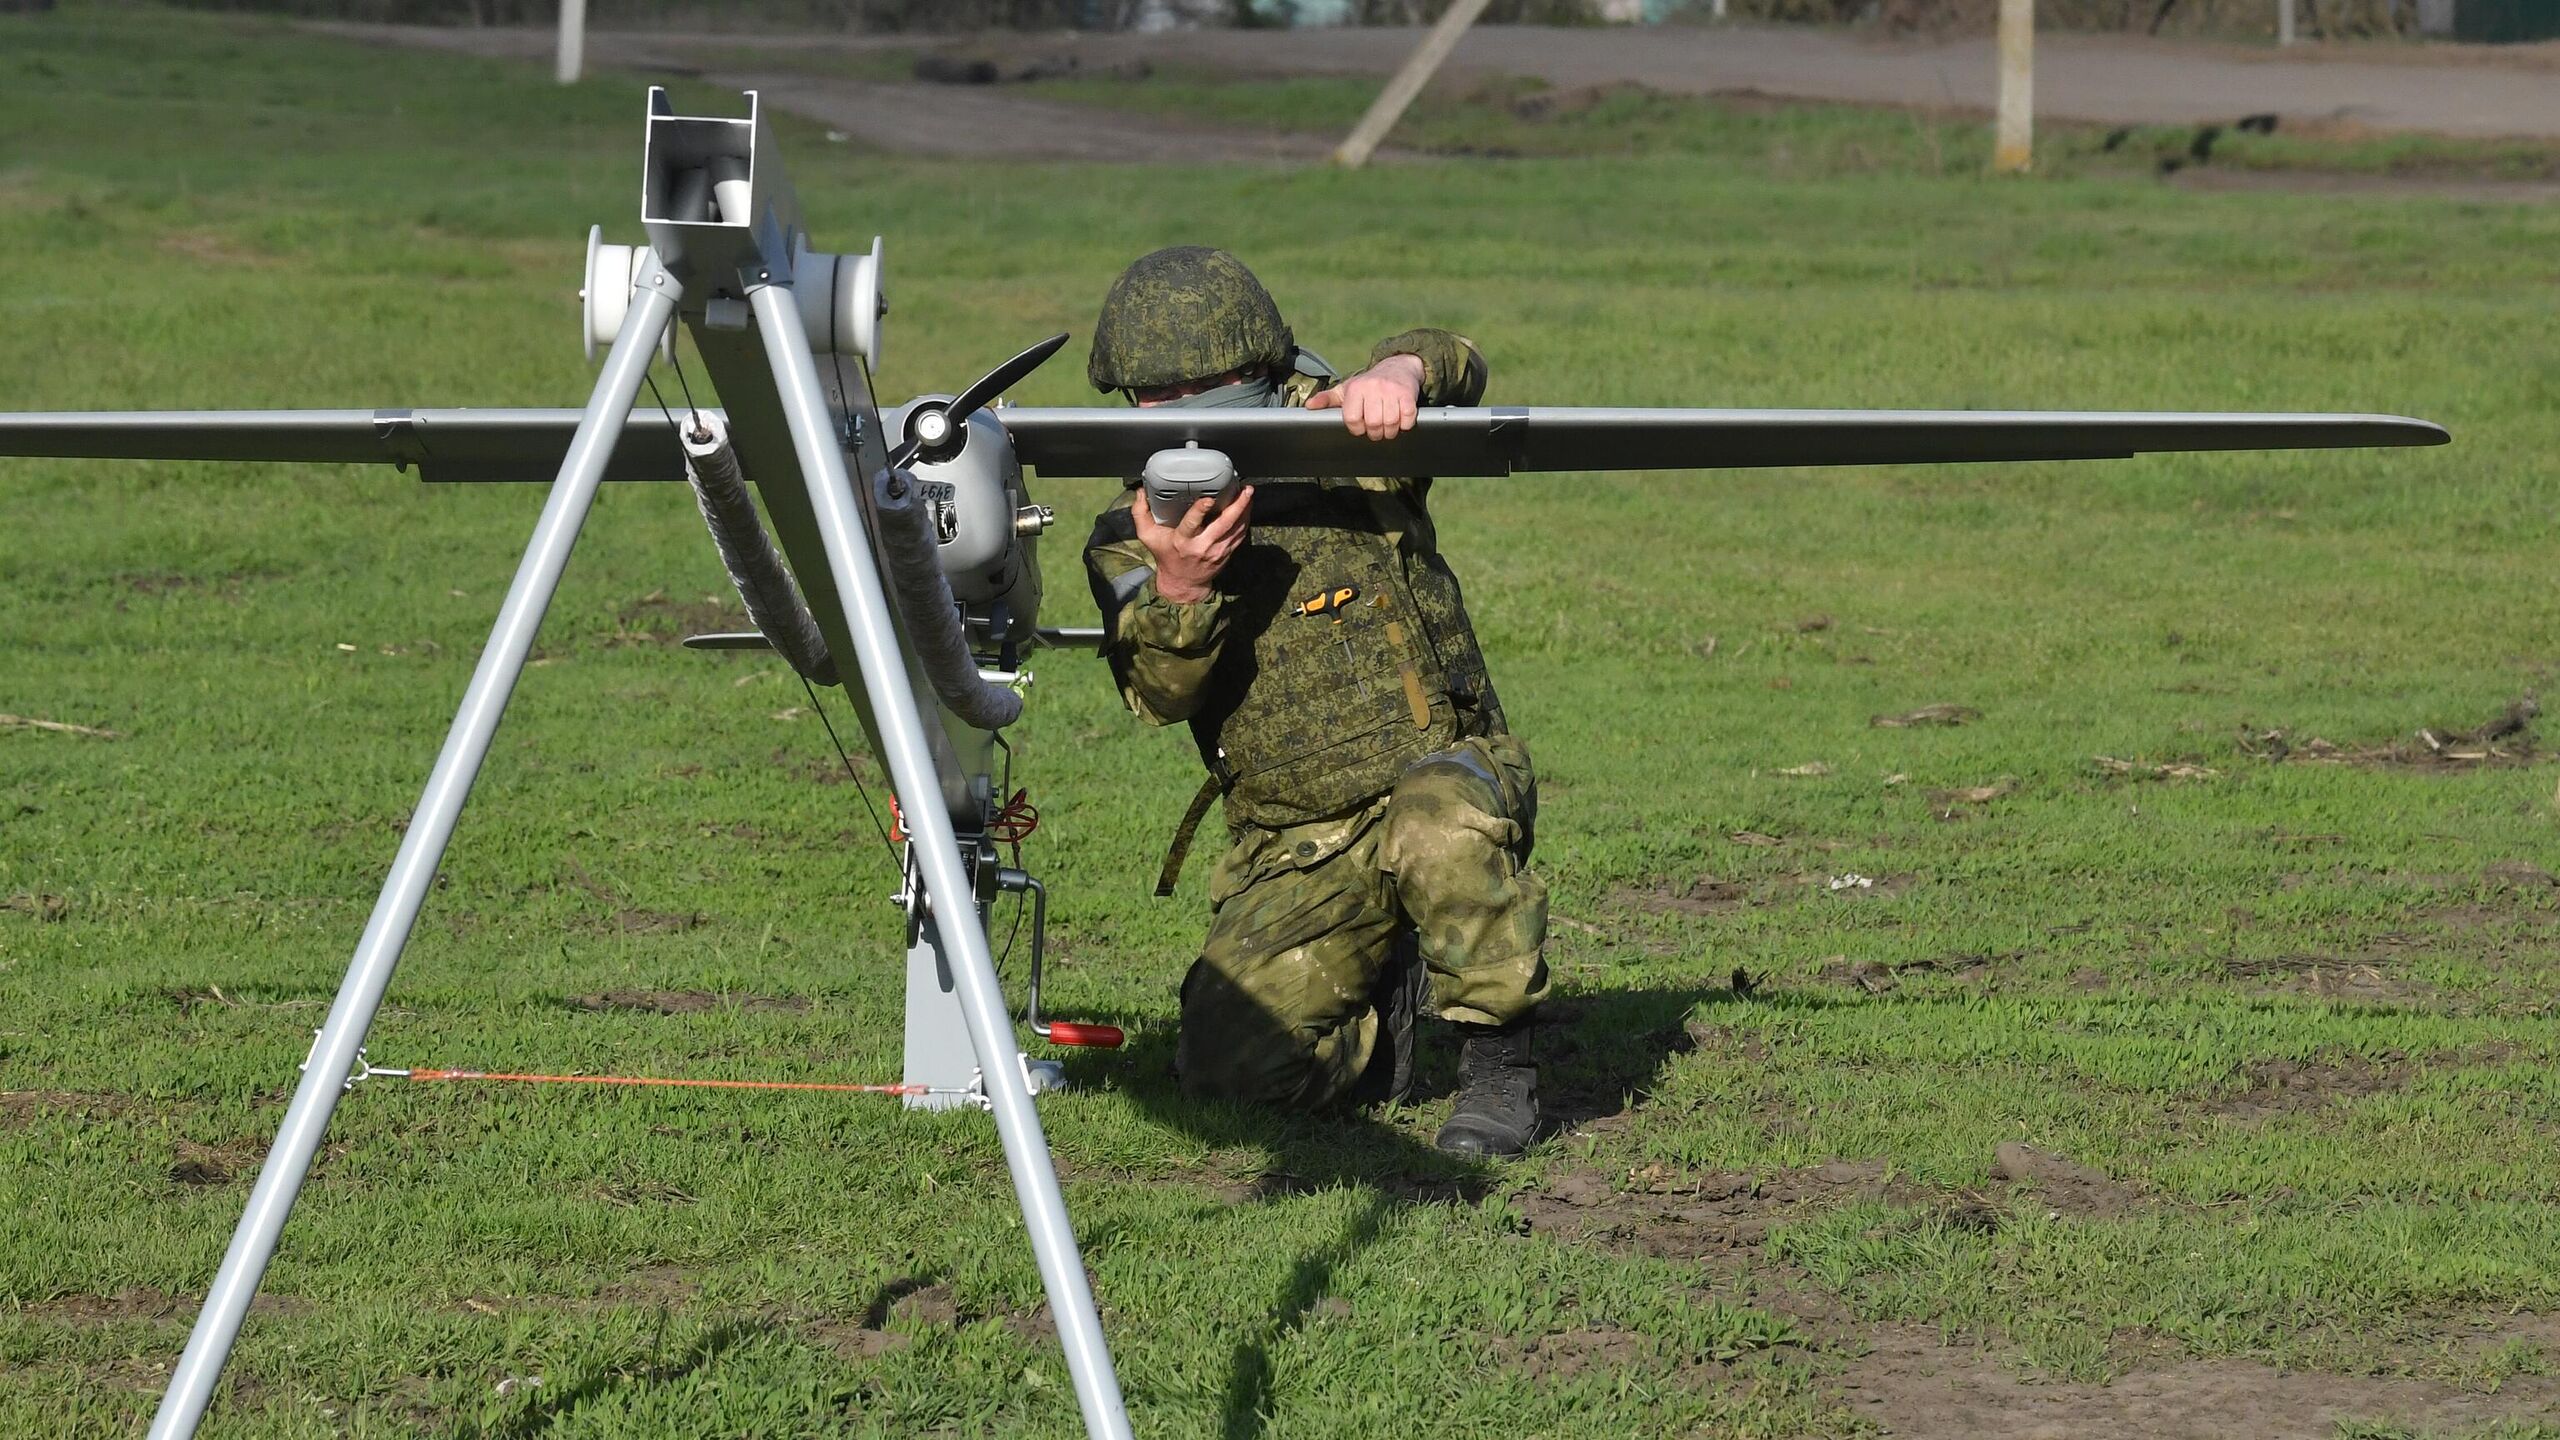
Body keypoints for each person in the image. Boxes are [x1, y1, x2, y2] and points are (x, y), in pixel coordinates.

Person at [1080, 246, 1548, 1157]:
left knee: (1436, 827)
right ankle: (1392, 1030)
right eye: (1157, 406)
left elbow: (1455, 357)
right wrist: (1181, 593)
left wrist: (1398, 374)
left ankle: (1501, 1064)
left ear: (1261, 371)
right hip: (1298, 841)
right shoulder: (1130, 534)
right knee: (1227, 1070)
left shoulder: (1351, 446)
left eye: (1212, 392)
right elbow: (1158, 698)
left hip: (1447, 778)